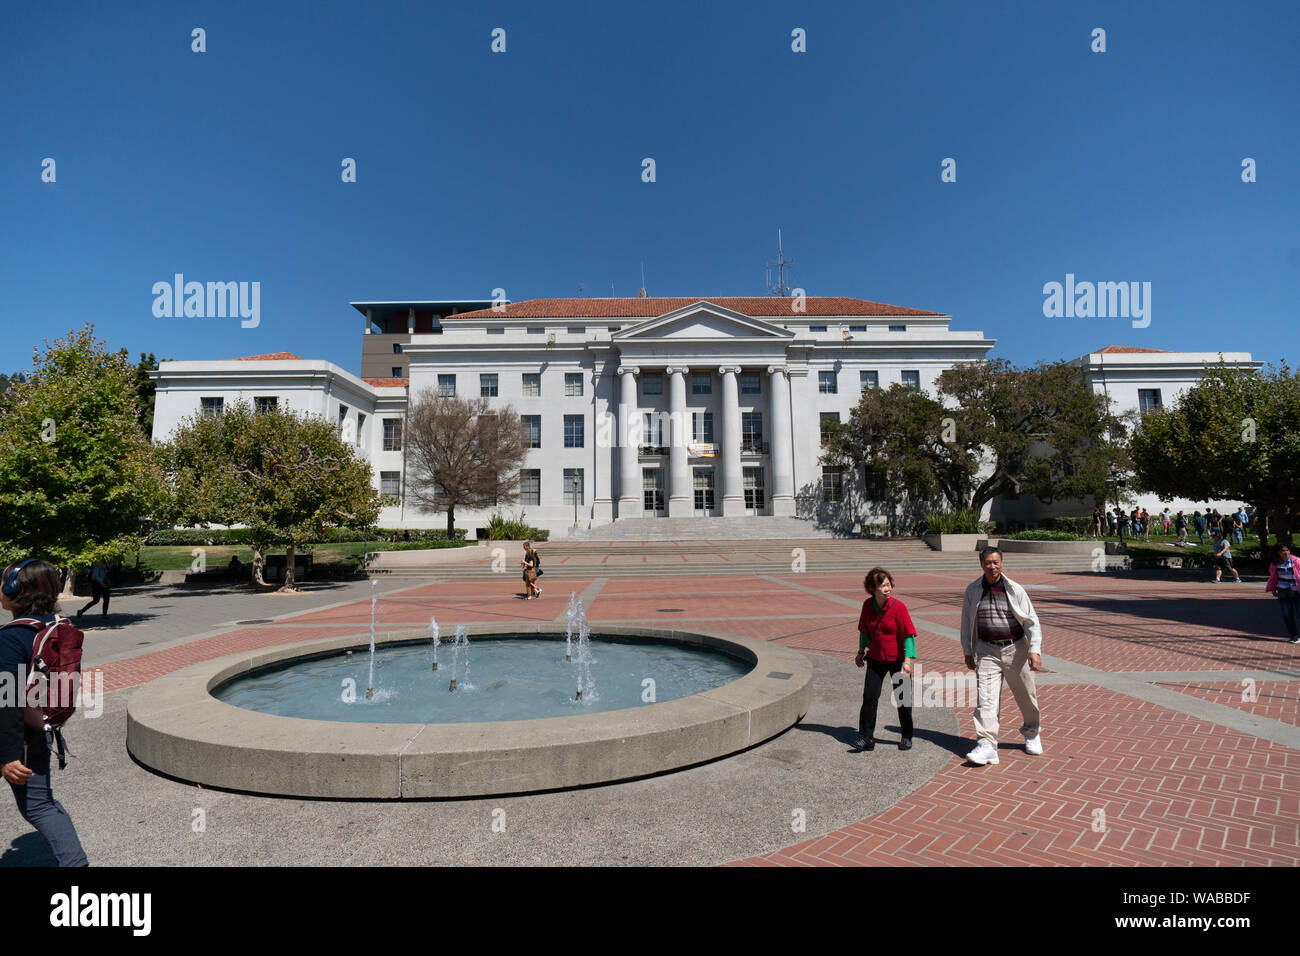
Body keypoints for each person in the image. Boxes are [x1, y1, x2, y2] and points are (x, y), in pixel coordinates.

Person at [0, 560, 88, 866]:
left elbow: (7, 699)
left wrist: (8, 755)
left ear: (14, 590)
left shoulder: (12, 637)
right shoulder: (53, 626)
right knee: (39, 804)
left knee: (37, 806)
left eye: (2, 581)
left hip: (13, 737)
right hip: (40, 728)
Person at [960, 548, 1043, 765]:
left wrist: (1035, 649)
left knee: (1026, 696)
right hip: (987, 651)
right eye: (988, 562)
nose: (992, 566)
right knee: (985, 699)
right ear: (981, 564)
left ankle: (1032, 732)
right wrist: (968, 650)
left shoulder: (1015, 589)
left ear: (1002, 563)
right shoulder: (973, 590)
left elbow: (1031, 621)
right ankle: (987, 745)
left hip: (1016, 650)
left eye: (996, 562)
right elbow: (967, 622)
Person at [853, 568, 918, 752]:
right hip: (875, 659)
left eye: (888, 584)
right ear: (872, 588)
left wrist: (908, 660)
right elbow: (865, 630)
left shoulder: (899, 607)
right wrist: (860, 651)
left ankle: (906, 735)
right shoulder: (867, 606)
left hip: (898, 660)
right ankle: (866, 737)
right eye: (882, 585)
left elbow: (908, 635)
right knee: (869, 696)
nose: (887, 588)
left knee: (903, 699)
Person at [1265, 544, 1300, 643]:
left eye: (1287, 550)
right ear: (1278, 553)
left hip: (1297, 591)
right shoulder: (1275, 564)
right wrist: (1273, 589)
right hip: (1283, 591)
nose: (1286, 553)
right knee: (1287, 615)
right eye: (1283, 551)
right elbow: (1273, 577)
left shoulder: (1297, 561)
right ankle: (1295, 636)